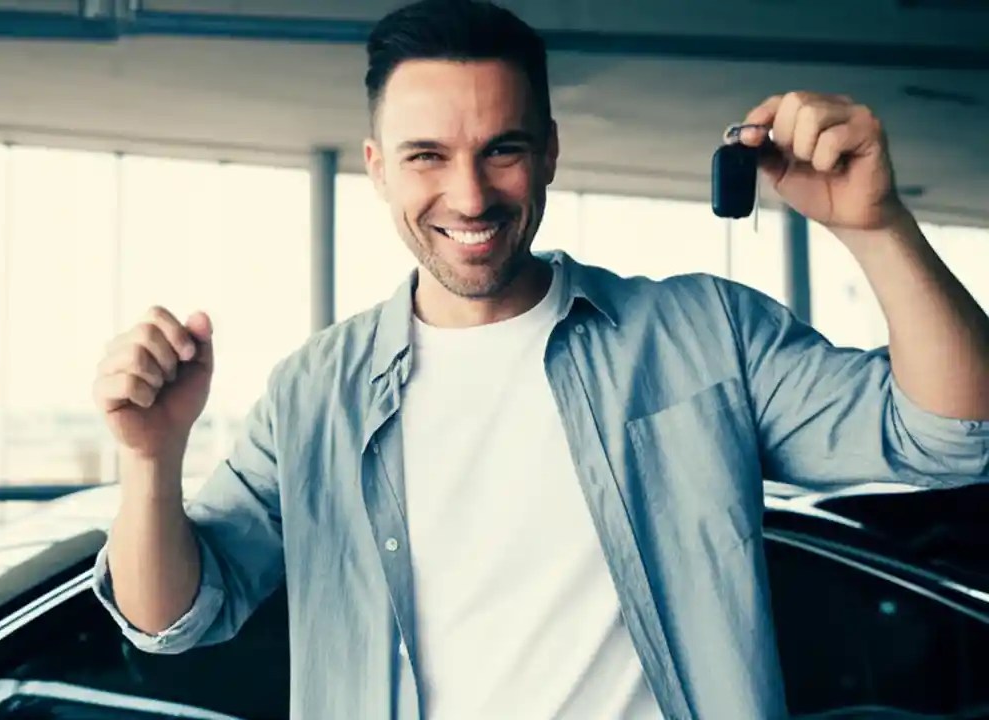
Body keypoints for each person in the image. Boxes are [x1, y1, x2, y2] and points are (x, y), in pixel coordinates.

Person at [89, 1, 989, 718]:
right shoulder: (313, 393)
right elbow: (174, 619)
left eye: (502, 150)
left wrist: (876, 228)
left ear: (550, 152)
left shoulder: (703, 335)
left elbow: (954, 435)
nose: (470, 193)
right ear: (378, 168)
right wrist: (149, 460)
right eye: (427, 156)